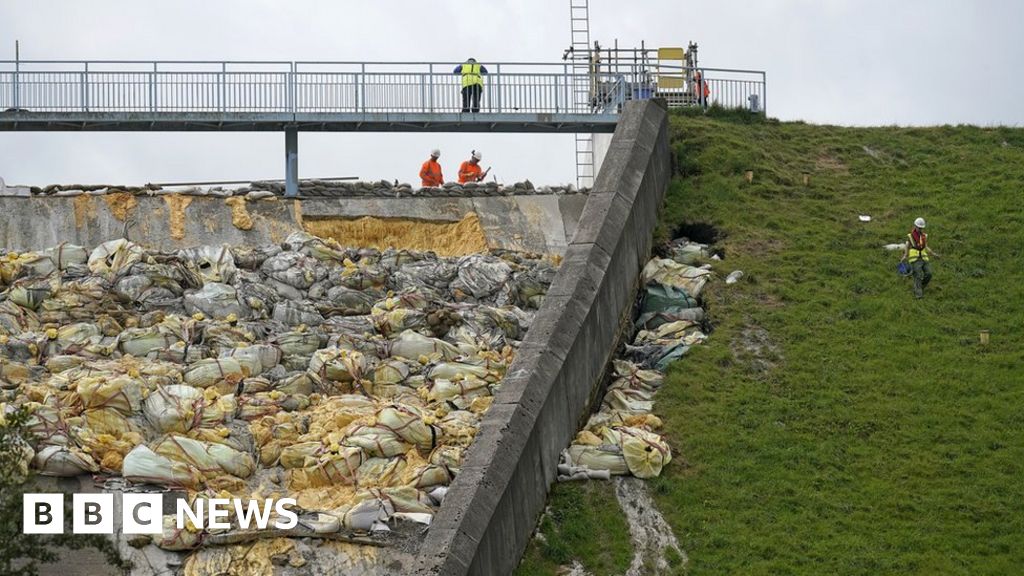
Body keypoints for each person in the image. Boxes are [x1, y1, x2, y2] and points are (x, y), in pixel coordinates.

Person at [900, 217, 941, 298]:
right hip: (915, 259)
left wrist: (933, 254)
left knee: (929, 274)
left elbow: (926, 247)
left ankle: (920, 287)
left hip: (924, 258)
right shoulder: (910, 236)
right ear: (915, 226)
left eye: (921, 228)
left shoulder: (924, 236)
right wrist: (905, 255)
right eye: (919, 228)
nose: (920, 229)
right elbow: (907, 246)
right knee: (917, 275)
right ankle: (919, 295)